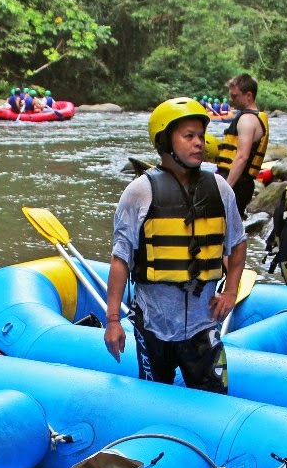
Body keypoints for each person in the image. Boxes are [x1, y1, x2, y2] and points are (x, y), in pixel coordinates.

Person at [103, 97, 247, 393]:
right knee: (156, 397)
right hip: (153, 325)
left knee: (216, 397)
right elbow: (120, 260)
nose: (199, 144)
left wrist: (231, 291)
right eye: (189, 136)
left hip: (202, 324)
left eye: (201, 136)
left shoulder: (220, 189)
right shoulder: (139, 192)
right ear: (165, 141)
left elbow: (238, 243)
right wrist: (113, 320)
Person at [215, 73, 269, 219]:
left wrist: (226, 188)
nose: (231, 100)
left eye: (235, 96)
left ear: (249, 95)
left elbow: (242, 157)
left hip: (237, 184)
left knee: (227, 230)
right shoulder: (254, 117)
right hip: (240, 183)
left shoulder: (247, 120)